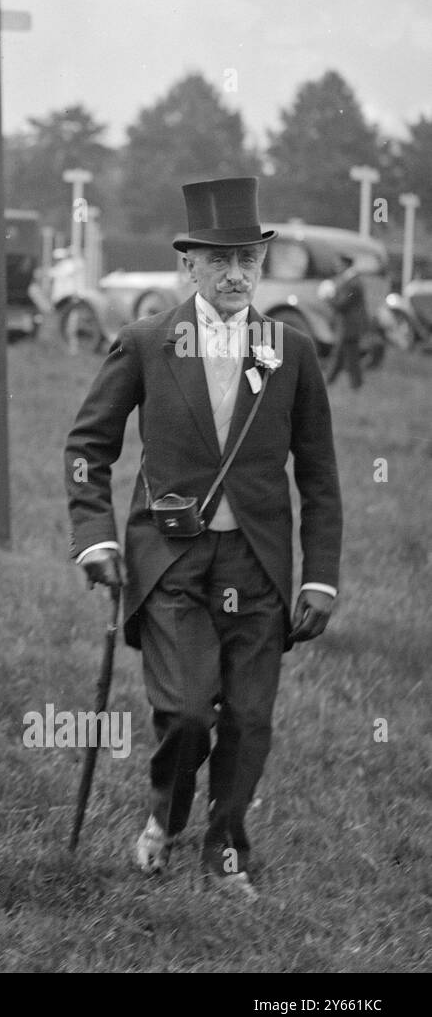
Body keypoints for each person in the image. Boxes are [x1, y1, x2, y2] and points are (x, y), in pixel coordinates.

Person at [65, 177, 342, 903]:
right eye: (217, 259)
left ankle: (225, 848)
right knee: (189, 712)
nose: (233, 273)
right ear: (188, 264)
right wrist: (93, 537)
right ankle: (164, 814)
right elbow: (87, 446)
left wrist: (320, 577)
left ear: (262, 263)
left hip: (257, 565)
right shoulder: (148, 341)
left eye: (247, 258)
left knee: (248, 720)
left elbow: (319, 476)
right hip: (173, 560)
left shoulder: (293, 351)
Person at [326, 255, 373, 390]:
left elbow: (342, 304)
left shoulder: (353, 282)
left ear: (346, 264)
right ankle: (334, 382)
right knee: (344, 356)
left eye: (339, 264)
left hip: (350, 327)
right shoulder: (350, 280)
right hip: (348, 326)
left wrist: (328, 298)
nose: (336, 267)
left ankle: (348, 384)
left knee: (347, 357)